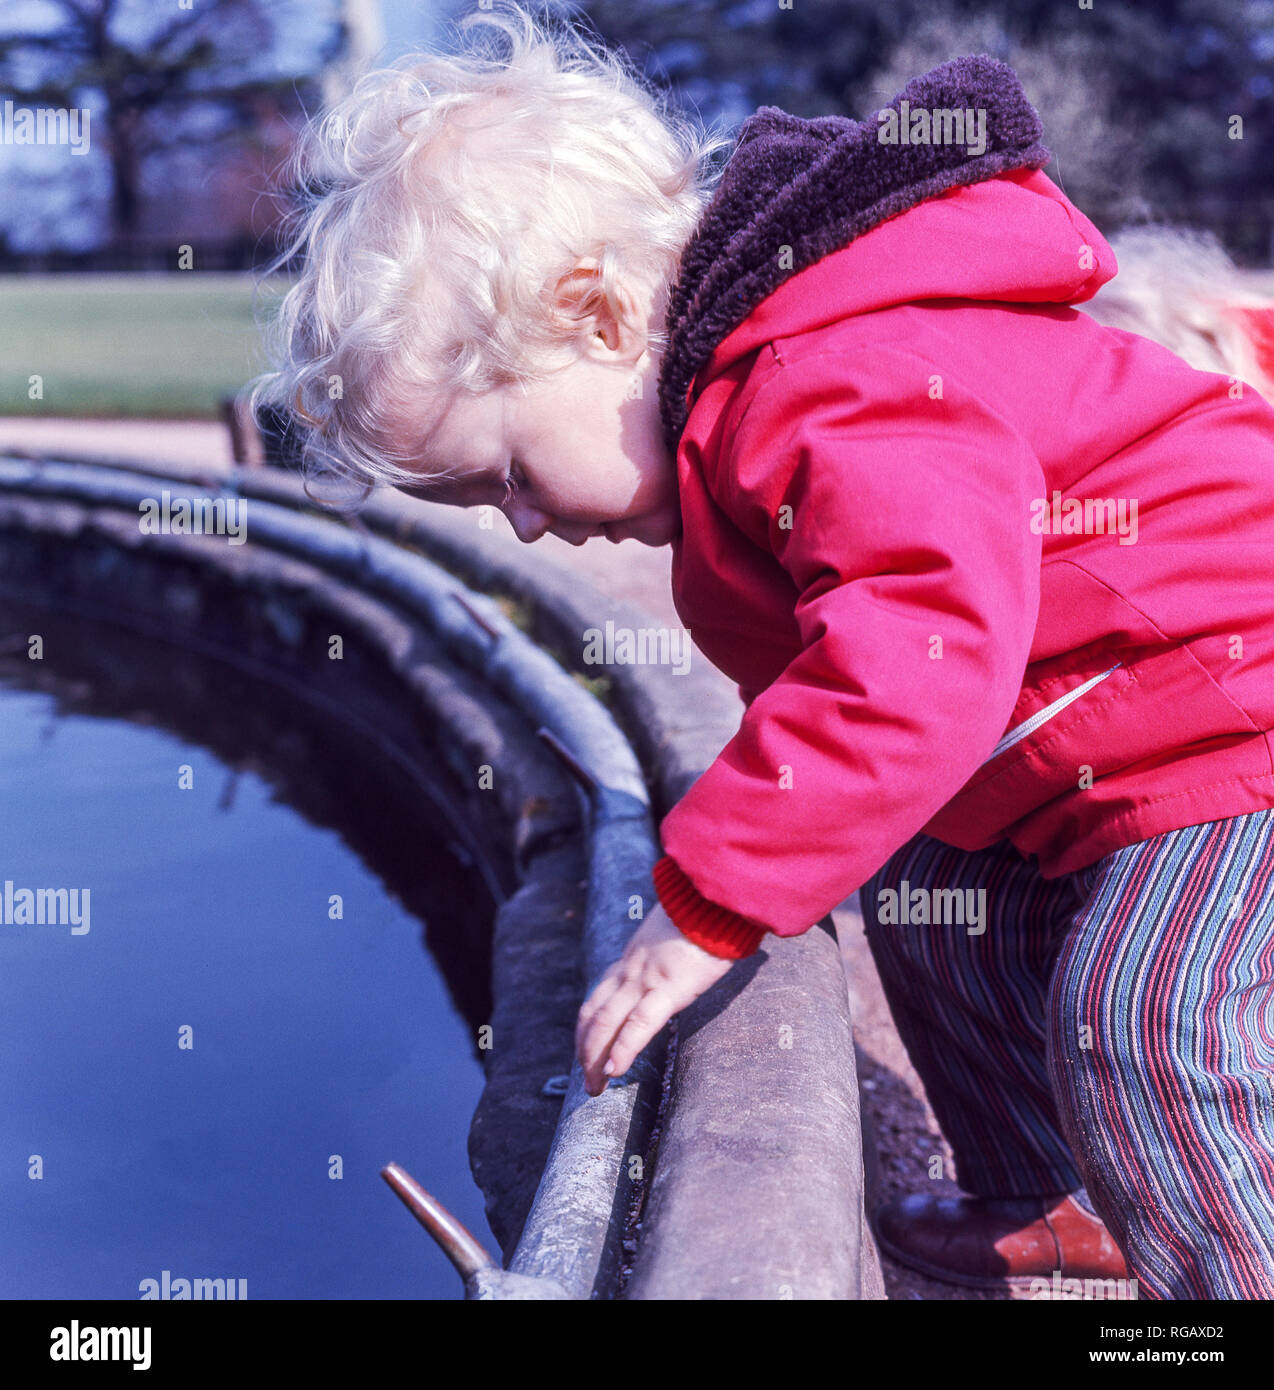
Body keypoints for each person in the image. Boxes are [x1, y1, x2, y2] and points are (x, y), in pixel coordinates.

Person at [253, 4, 1274, 1299]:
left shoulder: (823, 372)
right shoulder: (736, 415)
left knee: (1148, 1018)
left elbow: (914, 657)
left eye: (506, 471)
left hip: (1236, 709)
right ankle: (1067, 1196)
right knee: (933, 911)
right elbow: (838, 689)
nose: (522, 521)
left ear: (593, 313)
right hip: (1133, 731)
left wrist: (706, 899)